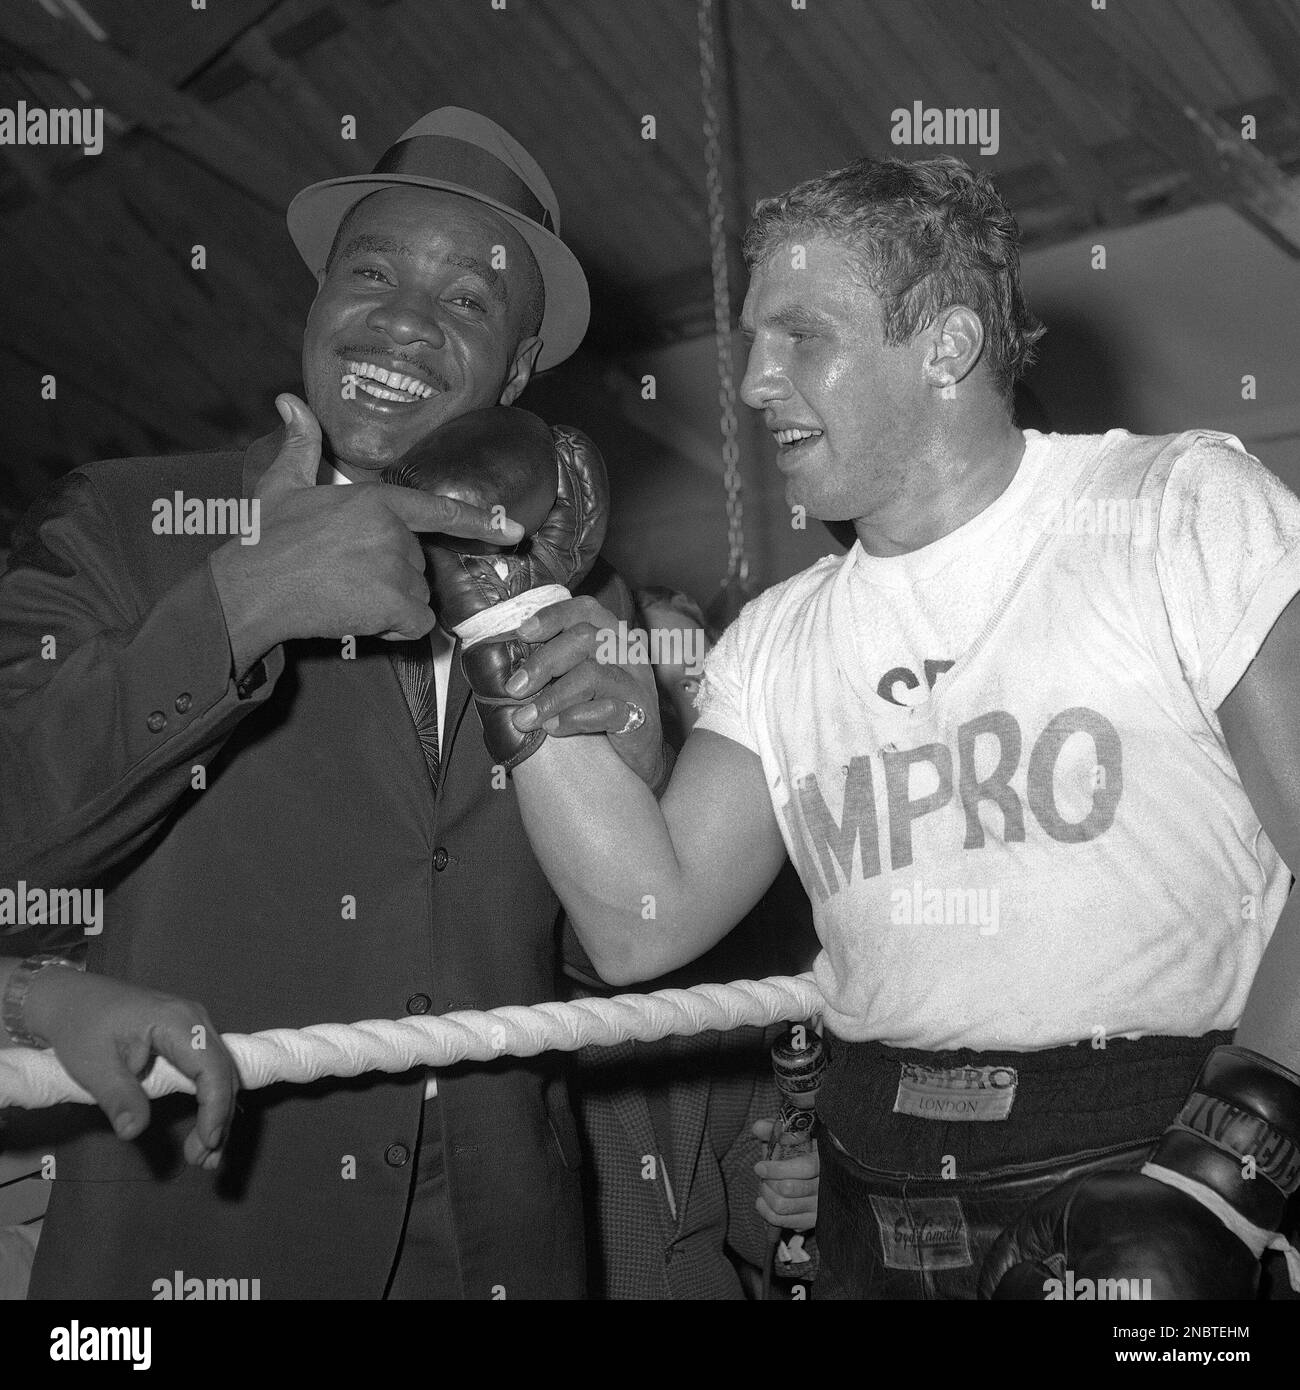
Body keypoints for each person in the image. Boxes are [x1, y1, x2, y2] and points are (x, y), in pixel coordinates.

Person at [493, 154, 1300, 1299]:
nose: (755, 383)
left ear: (948, 347)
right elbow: (639, 923)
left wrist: (1232, 1169)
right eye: (749, 344)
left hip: (1153, 1154)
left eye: (799, 337)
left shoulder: (1175, 508)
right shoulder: (777, 637)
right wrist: (506, 626)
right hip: (876, 1191)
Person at [0, 107, 670, 1300]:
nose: (404, 318)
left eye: (467, 301)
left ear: (518, 374)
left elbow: (592, 955)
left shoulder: (577, 594)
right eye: (369, 273)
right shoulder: (125, 520)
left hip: (498, 1251)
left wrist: (638, 781)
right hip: (197, 1246)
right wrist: (235, 606)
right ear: (315, 308)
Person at [564, 588, 820, 1298]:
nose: (675, 723)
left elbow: (753, 1207)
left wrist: (798, 1200)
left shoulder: (752, 950)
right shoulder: (535, 922)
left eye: (697, 695)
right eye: (644, 689)